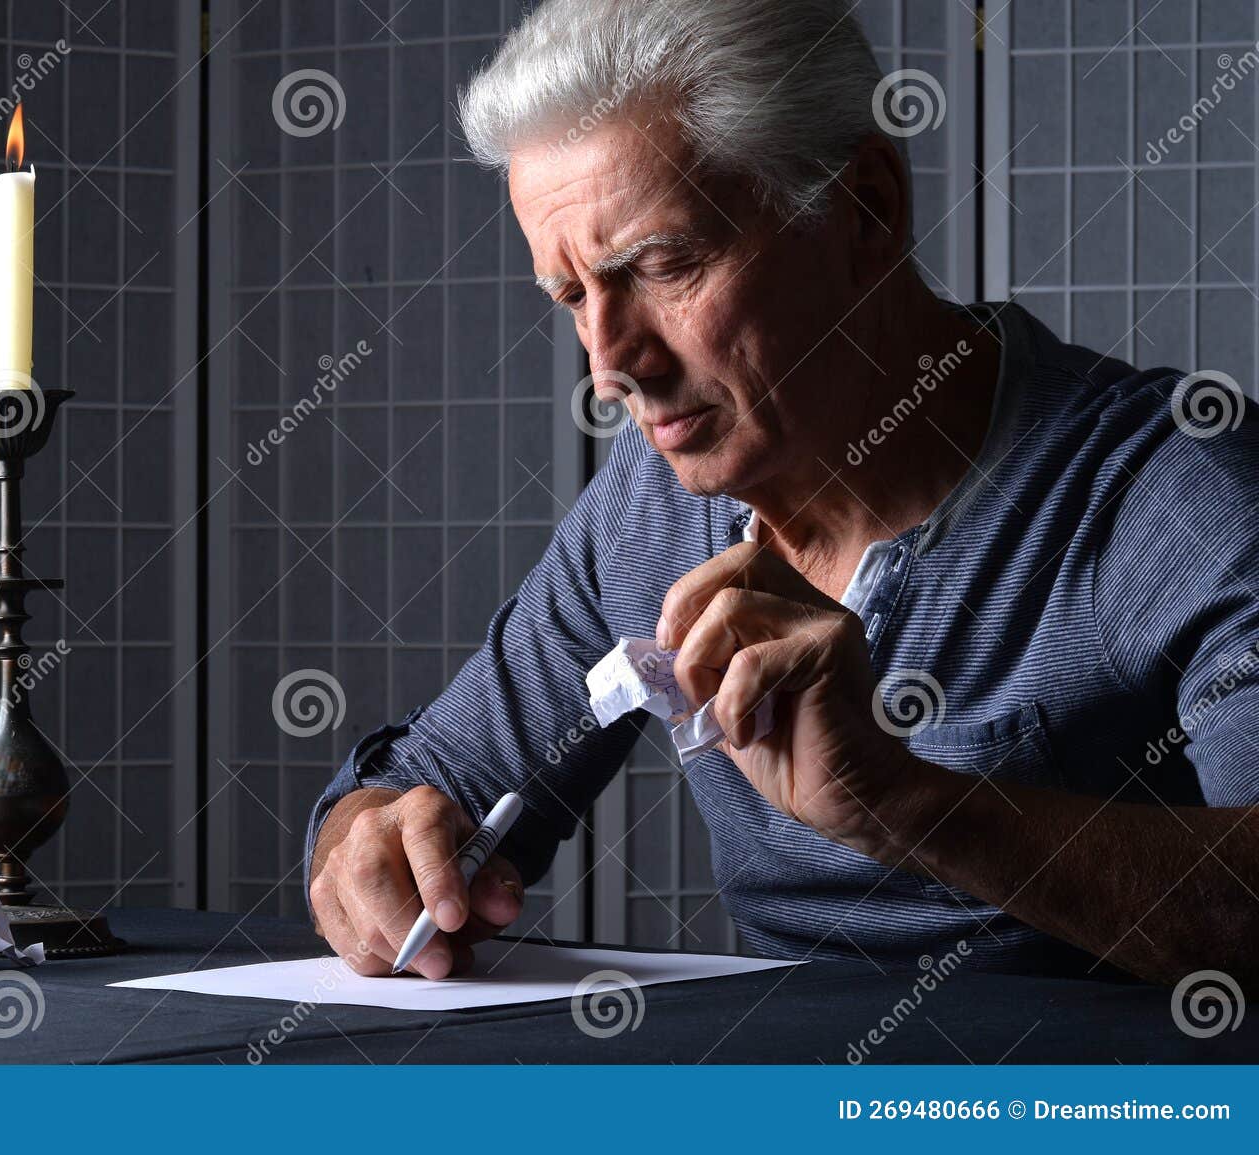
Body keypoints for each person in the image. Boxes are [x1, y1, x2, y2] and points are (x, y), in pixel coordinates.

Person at [305, 0, 1259, 986]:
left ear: (867, 210)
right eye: (574, 297)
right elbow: (426, 789)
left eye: (666, 266)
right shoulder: (647, 514)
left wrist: (902, 800)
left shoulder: (1180, 492)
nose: (609, 366)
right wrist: (372, 845)